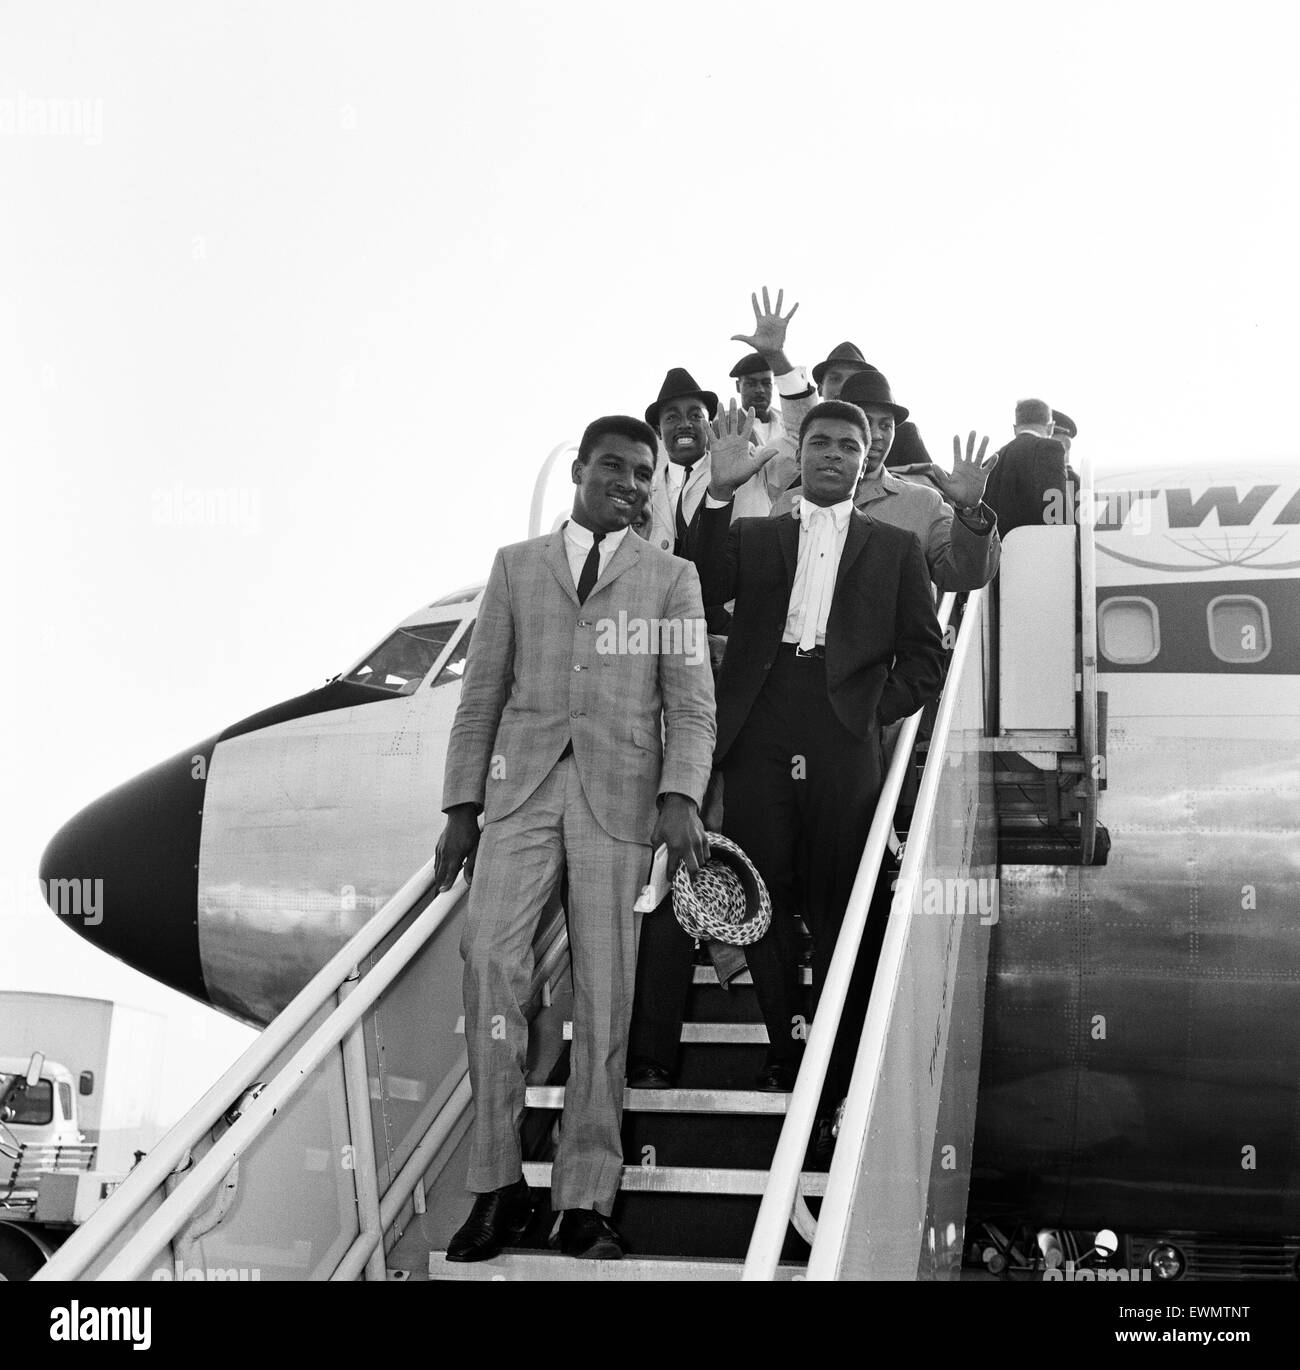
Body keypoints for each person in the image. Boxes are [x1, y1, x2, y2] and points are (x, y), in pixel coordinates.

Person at [433, 414, 716, 1261]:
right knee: (488, 961)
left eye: (643, 475)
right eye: (614, 469)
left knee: (605, 996)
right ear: (580, 472)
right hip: (520, 798)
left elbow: (692, 705)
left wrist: (680, 795)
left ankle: (585, 1197)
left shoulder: (672, 579)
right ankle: (497, 1185)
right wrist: (458, 810)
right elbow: (480, 695)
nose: (628, 485)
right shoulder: (515, 569)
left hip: (622, 800)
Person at [628, 398, 946, 1092]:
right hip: (761, 722)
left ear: (868, 462)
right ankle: (784, 1046)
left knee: (840, 900)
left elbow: (926, 657)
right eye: (821, 443)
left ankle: (836, 1062)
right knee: (759, 892)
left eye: (848, 446)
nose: (834, 454)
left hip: (843, 730)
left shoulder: (897, 550)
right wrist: (715, 492)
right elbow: (702, 585)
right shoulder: (760, 537)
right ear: (798, 456)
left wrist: (870, 712)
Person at [981, 398, 1072, 537]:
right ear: (1051, 427)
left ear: (1015, 428)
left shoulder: (990, 462)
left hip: (995, 554)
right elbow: (1057, 510)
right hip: (1038, 551)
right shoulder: (1049, 449)